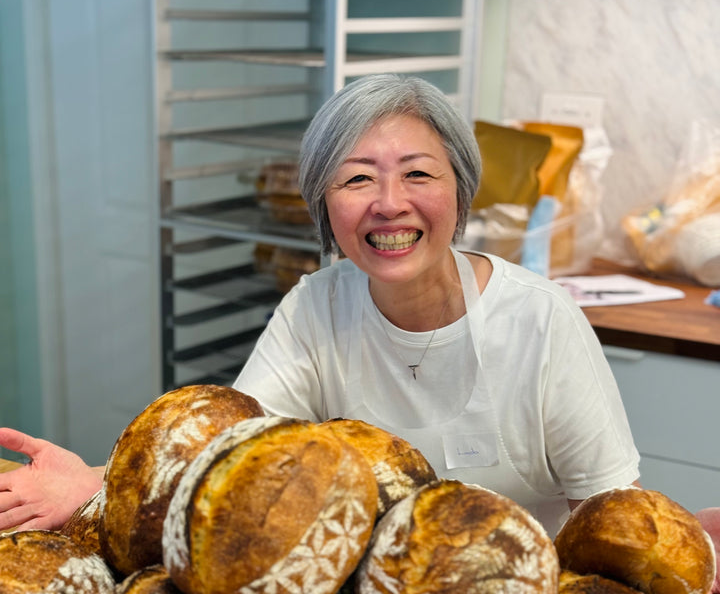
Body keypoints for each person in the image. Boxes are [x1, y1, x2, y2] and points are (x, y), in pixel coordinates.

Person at [1, 72, 641, 540]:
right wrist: (96, 481)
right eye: (357, 178)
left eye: (418, 173)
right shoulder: (316, 307)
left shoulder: (540, 320)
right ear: (324, 206)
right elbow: (226, 453)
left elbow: (615, 520)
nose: (389, 203)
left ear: (460, 190)